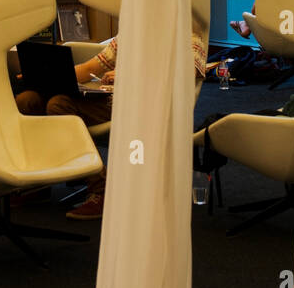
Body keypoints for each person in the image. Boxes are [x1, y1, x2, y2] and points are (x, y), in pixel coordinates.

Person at [16, 29, 208, 221]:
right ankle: (40, 182)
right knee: (27, 99)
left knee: (58, 105)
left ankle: (101, 189)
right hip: (110, 97)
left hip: (144, 104)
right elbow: (89, 69)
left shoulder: (188, 36)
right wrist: (46, 76)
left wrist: (130, 75)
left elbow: (186, 73)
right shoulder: (132, 31)